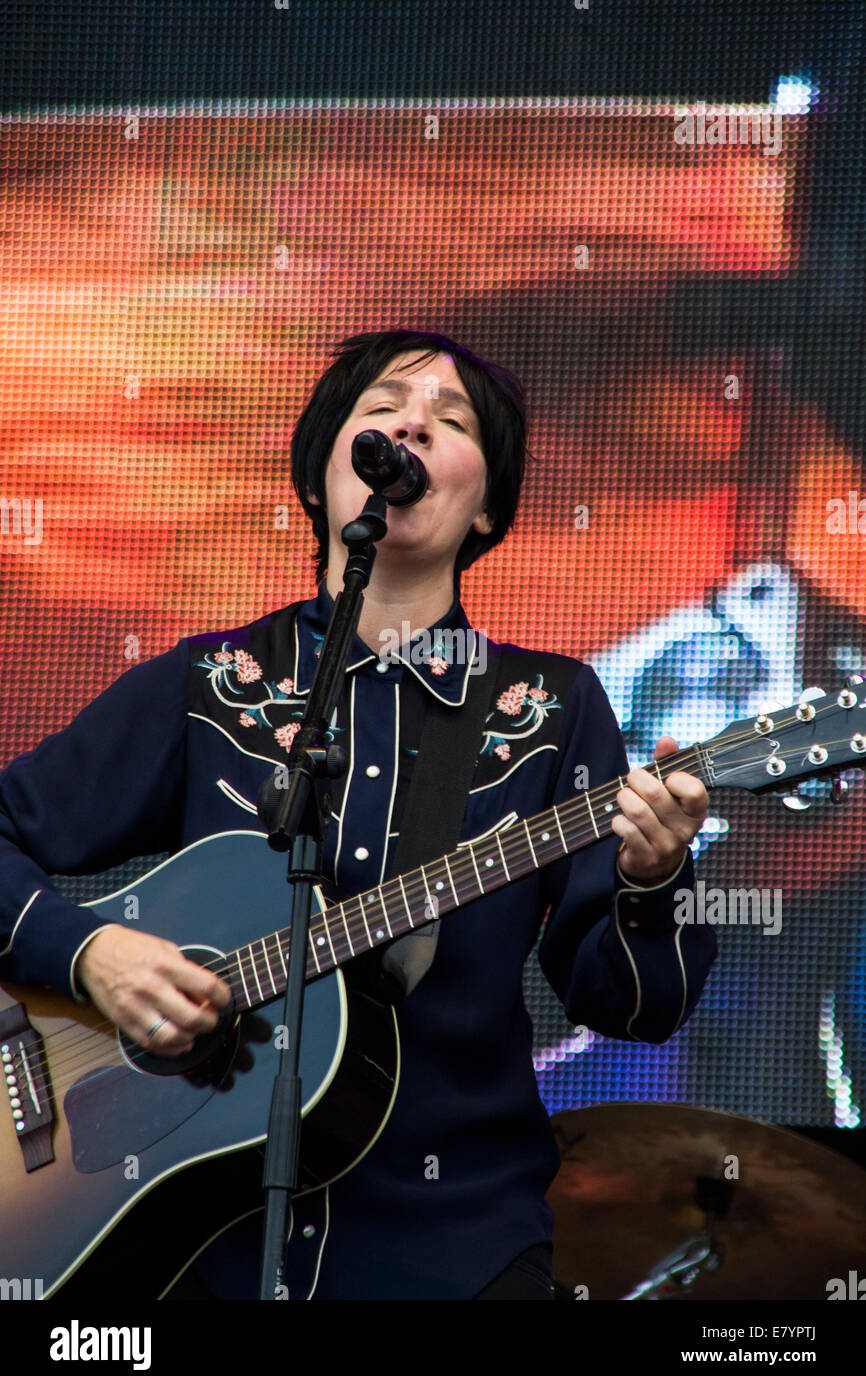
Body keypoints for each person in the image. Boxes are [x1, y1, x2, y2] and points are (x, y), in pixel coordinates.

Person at [0, 328, 717, 1300]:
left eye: (448, 419)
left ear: (487, 506)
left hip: (456, 1247)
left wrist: (650, 877)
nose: (409, 422)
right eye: (379, 409)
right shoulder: (210, 684)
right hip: (189, 1251)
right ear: (322, 471)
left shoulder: (552, 709)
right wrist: (92, 956)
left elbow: (633, 1005)